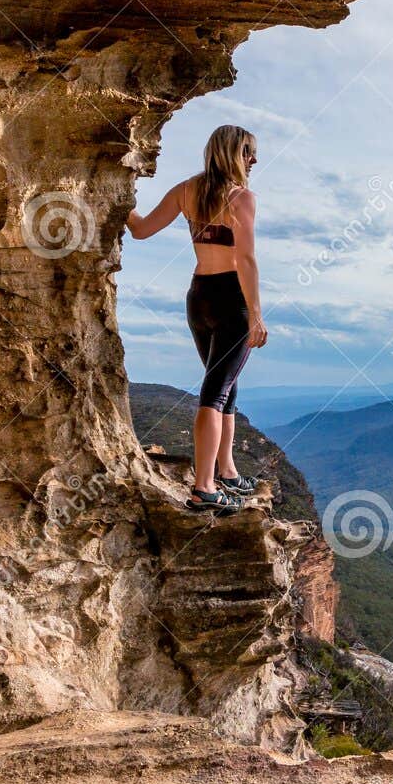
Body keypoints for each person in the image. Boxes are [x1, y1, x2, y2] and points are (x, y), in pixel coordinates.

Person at [125, 125, 269, 512]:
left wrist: (119, 195)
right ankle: (204, 487)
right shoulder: (241, 198)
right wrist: (255, 314)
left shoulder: (187, 191)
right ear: (231, 153)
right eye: (248, 151)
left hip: (199, 298)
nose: (253, 160)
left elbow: (140, 230)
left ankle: (227, 471)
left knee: (225, 385)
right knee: (216, 390)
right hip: (231, 300)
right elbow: (245, 259)